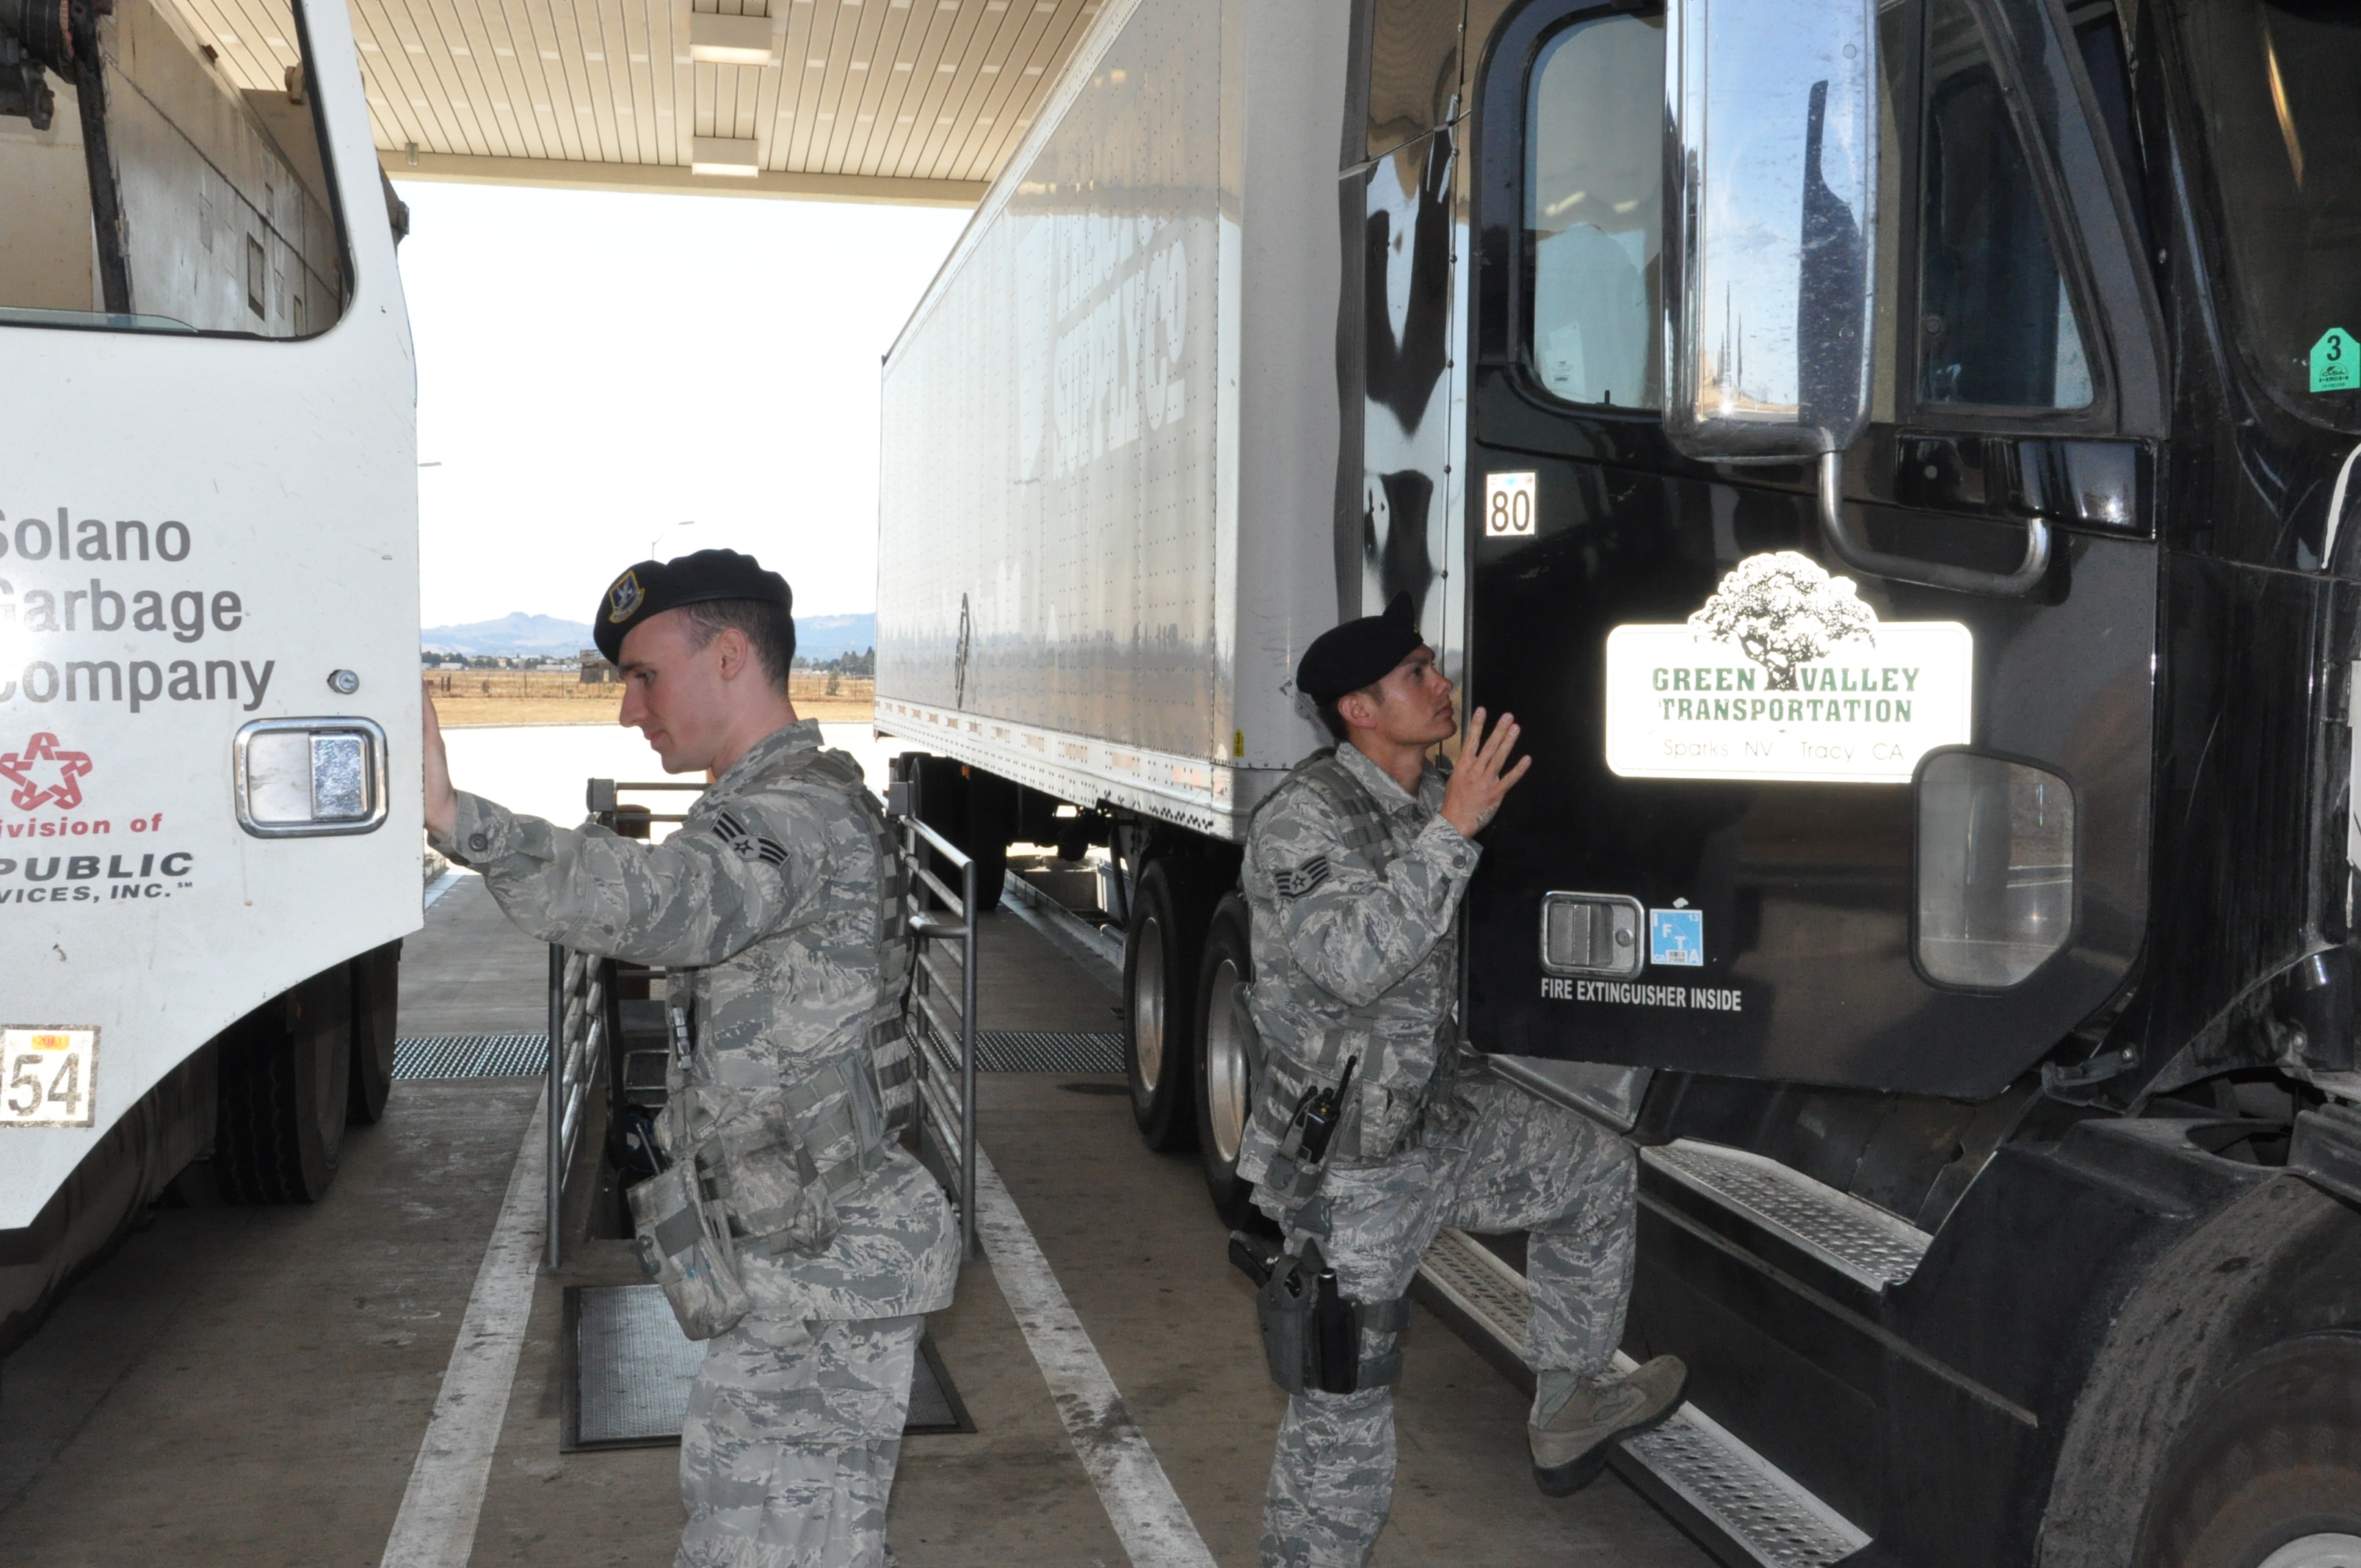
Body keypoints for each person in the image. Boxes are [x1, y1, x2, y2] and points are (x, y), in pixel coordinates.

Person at [421, 549, 956, 1568]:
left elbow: (669, 903)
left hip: (822, 1269)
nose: (630, 712)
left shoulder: (796, 817)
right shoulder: (782, 803)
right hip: (799, 1252)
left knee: (764, 1548)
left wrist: (461, 821)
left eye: (642, 675)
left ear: (726, 656)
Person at [1235, 591, 1686, 1568]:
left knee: (1598, 1173)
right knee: (1344, 1412)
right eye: (1416, 676)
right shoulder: (1300, 821)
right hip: (1352, 1164)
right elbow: (1355, 960)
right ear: (1359, 709)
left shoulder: (1432, 791)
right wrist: (1456, 826)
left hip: (1444, 1126)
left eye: (1433, 663)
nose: (1443, 686)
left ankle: (1568, 1400)